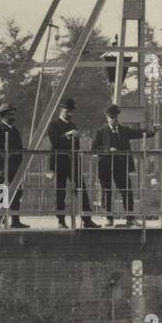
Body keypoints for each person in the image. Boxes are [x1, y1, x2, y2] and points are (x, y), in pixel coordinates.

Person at [91, 104, 160, 227]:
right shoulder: (100, 132)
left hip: (121, 166)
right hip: (105, 166)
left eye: (115, 117)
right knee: (107, 191)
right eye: (111, 117)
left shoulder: (124, 130)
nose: (114, 120)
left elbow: (138, 132)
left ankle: (130, 218)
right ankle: (109, 218)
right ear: (106, 118)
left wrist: (152, 131)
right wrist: (108, 149)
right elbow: (94, 148)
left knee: (127, 191)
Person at [46, 97, 99, 229]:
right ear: (61, 110)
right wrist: (68, 135)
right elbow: (55, 142)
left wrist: (78, 156)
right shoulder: (53, 125)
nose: (70, 114)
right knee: (60, 191)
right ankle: (61, 220)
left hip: (73, 163)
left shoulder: (73, 125)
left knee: (81, 189)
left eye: (71, 112)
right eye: (67, 111)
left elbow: (76, 146)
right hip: (59, 163)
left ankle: (87, 219)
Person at [0, 102, 28, 229]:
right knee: (2, 192)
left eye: (13, 114)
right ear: (3, 116)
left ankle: (15, 220)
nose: (12, 116)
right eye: (10, 114)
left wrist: (22, 161)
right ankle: (1, 219)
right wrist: (0, 168)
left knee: (17, 193)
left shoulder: (15, 130)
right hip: (4, 169)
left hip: (15, 168)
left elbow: (17, 148)